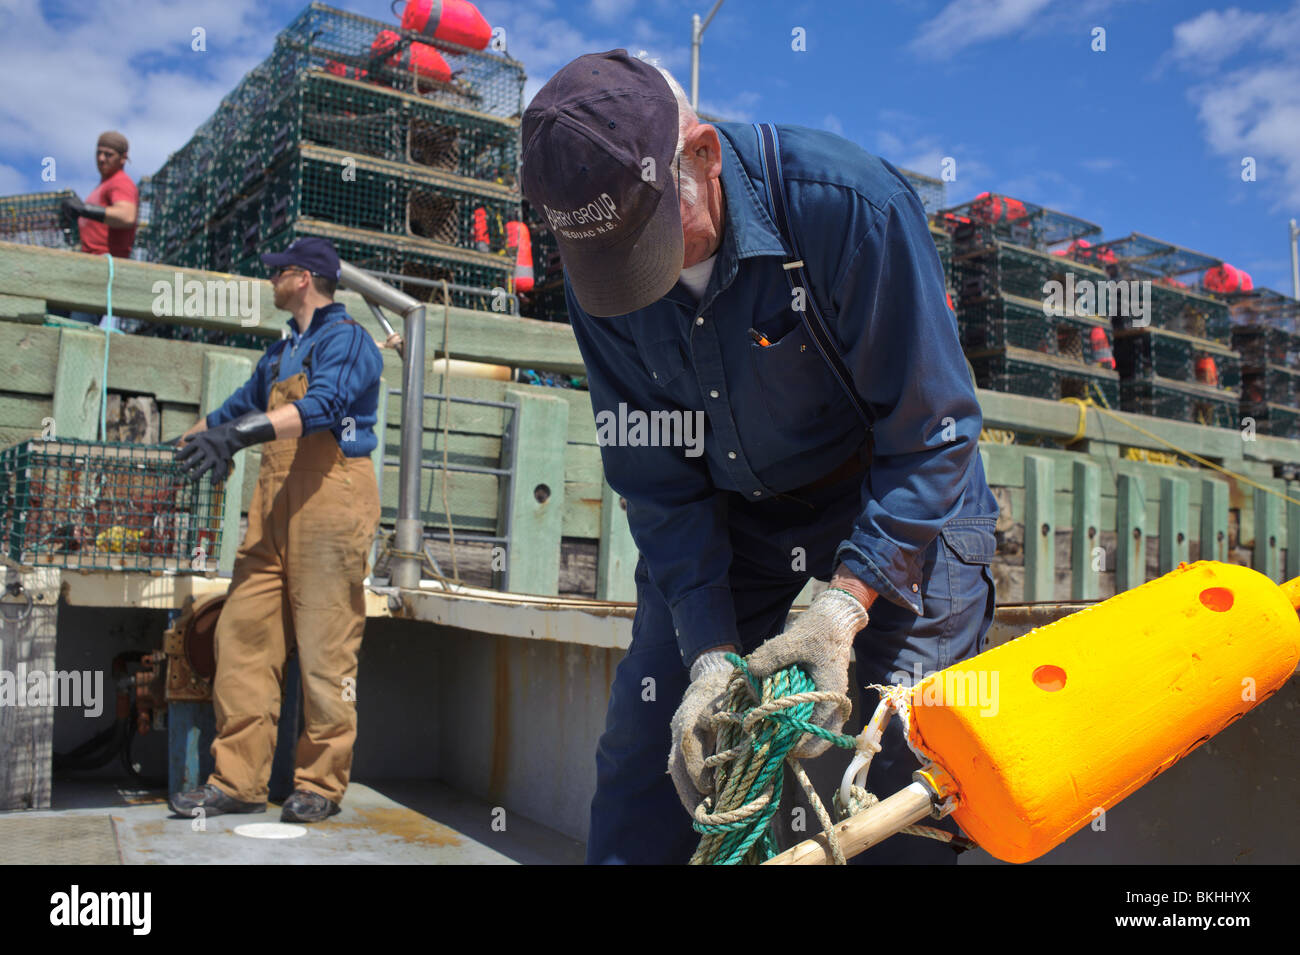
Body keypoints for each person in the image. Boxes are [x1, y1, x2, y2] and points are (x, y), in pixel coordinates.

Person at [519, 51, 999, 865]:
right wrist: (708, 653)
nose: (647, 277)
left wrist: (845, 605)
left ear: (701, 157)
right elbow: (659, 482)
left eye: (652, 239)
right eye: (617, 262)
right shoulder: (598, 282)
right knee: (652, 760)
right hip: (736, 512)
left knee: (887, 778)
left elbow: (931, 433)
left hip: (895, 493)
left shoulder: (852, 208)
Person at [168, 236, 385, 824]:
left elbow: (326, 405)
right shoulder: (280, 353)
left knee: (325, 650)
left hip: (331, 499)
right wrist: (184, 445)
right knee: (241, 637)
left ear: (304, 278)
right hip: (271, 511)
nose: (270, 282)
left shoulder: (348, 340)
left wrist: (237, 438)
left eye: (277, 272)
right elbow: (229, 413)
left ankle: (320, 783)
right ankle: (237, 781)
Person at [57, 131, 139, 330]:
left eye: (108, 154)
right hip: (85, 268)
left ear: (123, 158)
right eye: (99, 153)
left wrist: (84, 209)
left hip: (100, 272)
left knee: (77, 331)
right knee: (56, 322)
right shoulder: (102, 186)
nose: (101, 159)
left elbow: (127, 216)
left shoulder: (121, 183)